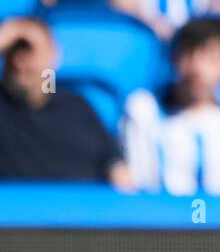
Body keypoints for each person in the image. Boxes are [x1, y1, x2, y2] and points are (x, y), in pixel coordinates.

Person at [122, 17, 220, 196]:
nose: (197, 69)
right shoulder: (144, 109)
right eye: (188, 56)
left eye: (210, 57)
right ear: (173, 60)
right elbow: (140, 185)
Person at [0, 17, 133, 189]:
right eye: (12, 50)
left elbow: (118, 171)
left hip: (80, 212)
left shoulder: (77, 108)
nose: (19, 60)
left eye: (28, 50)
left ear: (53, 55)